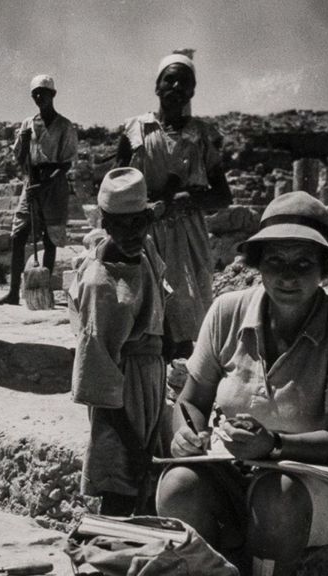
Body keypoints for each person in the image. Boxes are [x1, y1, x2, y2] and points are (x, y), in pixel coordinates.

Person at [156, 192, 328, 576]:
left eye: (303, 263)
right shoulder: (228, 311)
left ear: (325, 267)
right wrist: (186, 434)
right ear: (258, 264)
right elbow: (190, 401)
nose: (288, 275)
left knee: (279, 497)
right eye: (275, 261)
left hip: (308, 484)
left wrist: (272, 445)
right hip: (230, 473)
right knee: (178, 485)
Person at [116, 54, 232, 360]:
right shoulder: (134, 130)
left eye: (185, 82)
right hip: (142, 233)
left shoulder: (203, 136)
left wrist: (189, 199)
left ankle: (180, 389)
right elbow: (114, 185)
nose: (176, 86)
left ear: (193, 92)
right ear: (157, 85)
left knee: (184, 318)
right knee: (141, 317)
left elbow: (223, 195)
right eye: (170, 79)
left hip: (186, 238)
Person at [68, 167, 168, 516]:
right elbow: (98, 371)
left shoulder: (146, 251)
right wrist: (131, 444)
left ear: (148, 221)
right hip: (121, 399)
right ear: (104, 223)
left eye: (137, 224)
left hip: (150, 380)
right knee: (121, 484)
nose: (130, 234)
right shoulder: (101, 283)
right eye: (119, 226)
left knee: (146, 491)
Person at [0, 74, 79, 306]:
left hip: (53, 184)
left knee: (50, 239)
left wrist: (44, 185)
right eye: (35, 94)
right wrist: (23, 141)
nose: (39, 97)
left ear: (53, 95)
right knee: (19, 235)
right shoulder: (28, 124)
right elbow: (20, 158)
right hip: (31, 182)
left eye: (43, 93)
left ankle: (43, 291)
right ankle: (13, 293)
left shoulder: (64, 126)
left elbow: (65, 164)